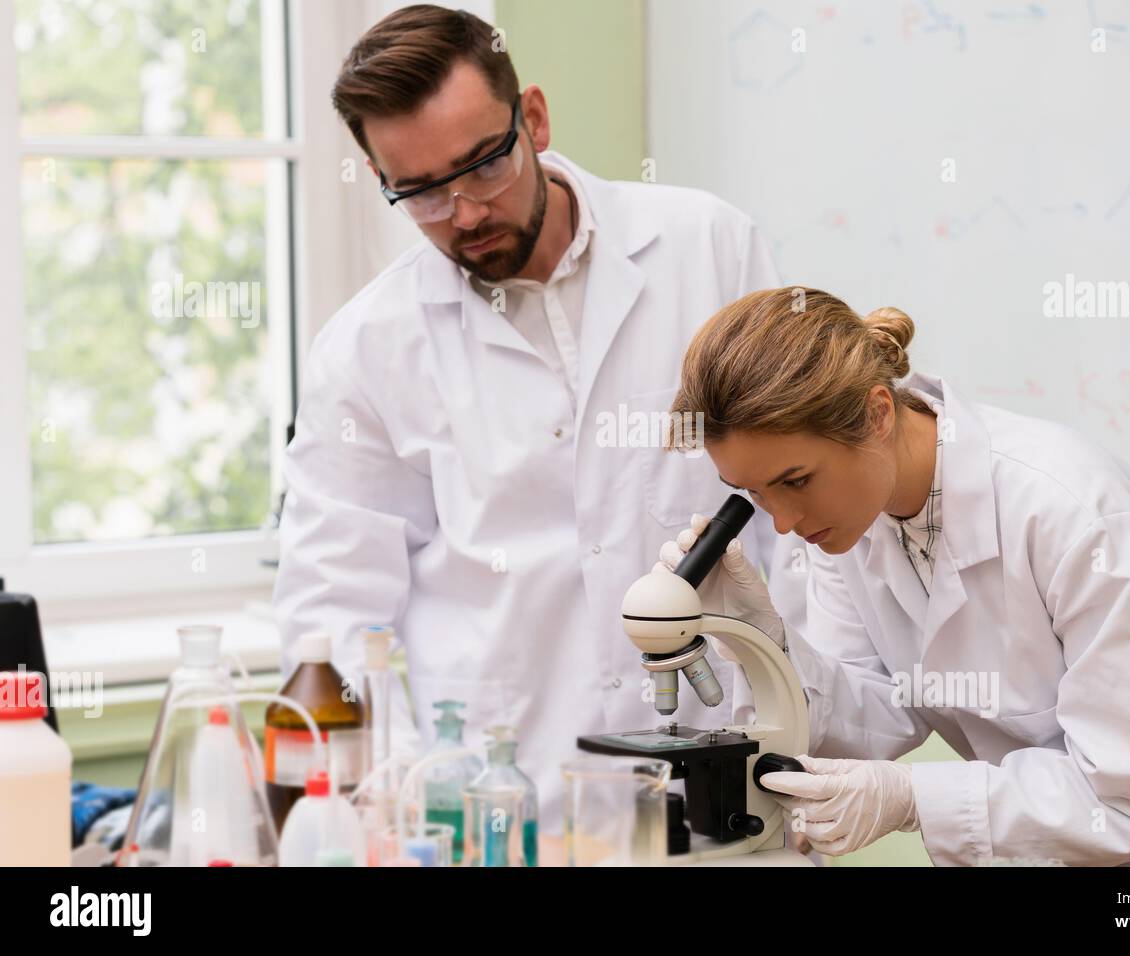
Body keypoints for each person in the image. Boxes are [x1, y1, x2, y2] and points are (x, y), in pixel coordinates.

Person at [272, 5, 805, 833]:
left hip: (730, 782)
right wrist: (409, 801)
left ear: (535, 120)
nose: (466, 213)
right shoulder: (367, 351)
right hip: (503, 809)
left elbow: (802, 516)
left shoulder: (709, 248)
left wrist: (805, 732)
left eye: (482, 166)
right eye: (419, 192)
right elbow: (334, 616)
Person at [656, 286, 1130, 865]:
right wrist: (757, 638)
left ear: (879, 413)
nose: (785, 522)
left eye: (796, 481)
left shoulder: (1075, 513)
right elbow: (879, 714)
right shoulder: (850, 520)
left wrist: (911, 799)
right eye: (754, 493)